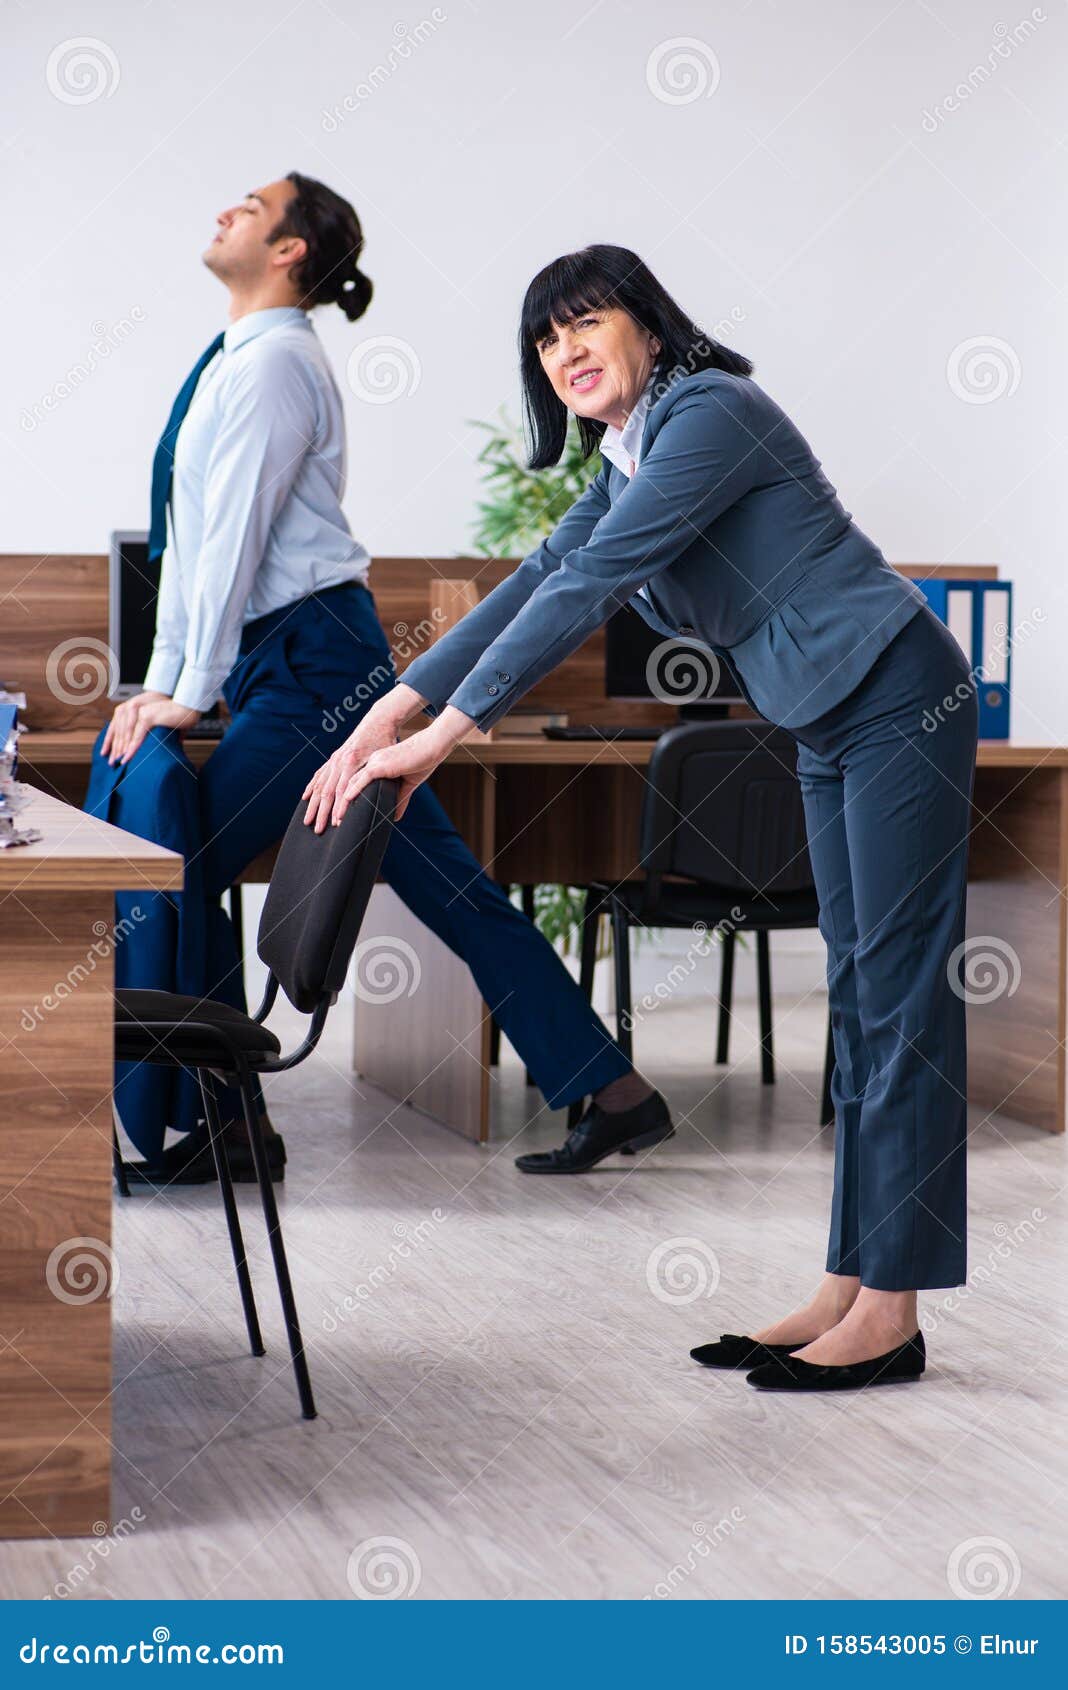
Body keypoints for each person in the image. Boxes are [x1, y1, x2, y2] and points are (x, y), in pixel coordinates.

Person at [302, 243, 978, 1394]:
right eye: (544, 337)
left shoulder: (710, 413)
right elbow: (534, 582)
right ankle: (849, 1284)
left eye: (585, 321)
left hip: (900, 696)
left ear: (649, 327)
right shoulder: (630, 461)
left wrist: (441, 737)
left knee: (900, 993)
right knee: (861, 987)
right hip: (827, 721)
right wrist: (386, 715)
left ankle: (894, 1310)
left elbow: (591, 584)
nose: (563, 349)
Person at [91, 189, 673, 1188]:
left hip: (310, 662)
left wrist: (187, 689)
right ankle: (616, 1092)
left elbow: (231, 537)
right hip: (299, 658)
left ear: (290, 249)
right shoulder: (238, 358)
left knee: (175, 858)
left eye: (252, 205)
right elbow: (192, 543)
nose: (226, 212)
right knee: (448, 887)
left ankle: (232, 1120)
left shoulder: (275, 363)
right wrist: (168, 678)